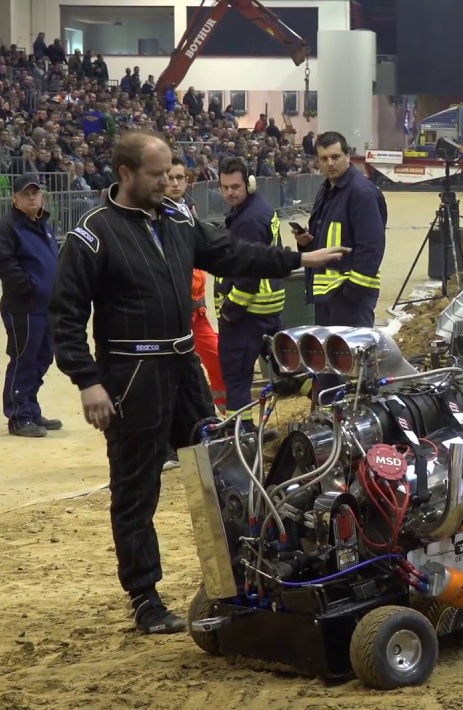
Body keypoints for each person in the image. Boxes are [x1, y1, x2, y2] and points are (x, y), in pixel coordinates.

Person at [49, 130, 349, 635]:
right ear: (125, 174)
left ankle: (238, 577)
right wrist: (87, 381)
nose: (168, 182)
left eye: (171, 172)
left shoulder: (179, 219)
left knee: (221, 473)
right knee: (136, 488)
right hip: (132, 377)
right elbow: (65, 316)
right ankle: (145, 598)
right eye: (156, 174)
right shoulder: (93, 236)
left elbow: (233, 254)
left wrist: (297, 260)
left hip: (184, 370)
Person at [162, 157, 226, 473]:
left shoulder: (188, 210)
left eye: (180, 177)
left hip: (196, 311)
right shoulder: (158, 215)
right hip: (172, 316)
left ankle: (222, 416)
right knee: (170, 380)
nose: (175, 183)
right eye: (170, 178)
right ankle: (168, 444)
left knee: (215, 358)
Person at [0, 174, 61, 438]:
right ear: (15, 198)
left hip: (47, 306)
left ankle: (31, 408)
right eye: (26, 194)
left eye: (35, 193)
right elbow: (3, 263)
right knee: (24, 359)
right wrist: (29, 287)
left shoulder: (44, 225)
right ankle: (19, 417)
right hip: (24, 306)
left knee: (43, 358)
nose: (32, 197)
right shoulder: (6, 227)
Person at [215, 157, 285, 428]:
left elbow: (247, 275)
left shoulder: (248, 220)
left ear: (249, 184)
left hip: (249, 311)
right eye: (225, 187)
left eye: (235, 187)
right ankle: (316, 398)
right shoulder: (259, 208)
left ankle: (240, 431)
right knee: (283, 362)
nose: (230, 193)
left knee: (236, 374)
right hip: (269, 303)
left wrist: (230, 311)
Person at [294, 131, 388, 327]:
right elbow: (326, 241)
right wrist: (305, 243)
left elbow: (371, 248)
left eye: (335, 157)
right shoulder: (325, 190)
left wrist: (352, 293)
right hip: (325, 297)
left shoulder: (361, 193)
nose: (330, 163)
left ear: (347, 156)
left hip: (349, 301)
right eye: (324, 158)